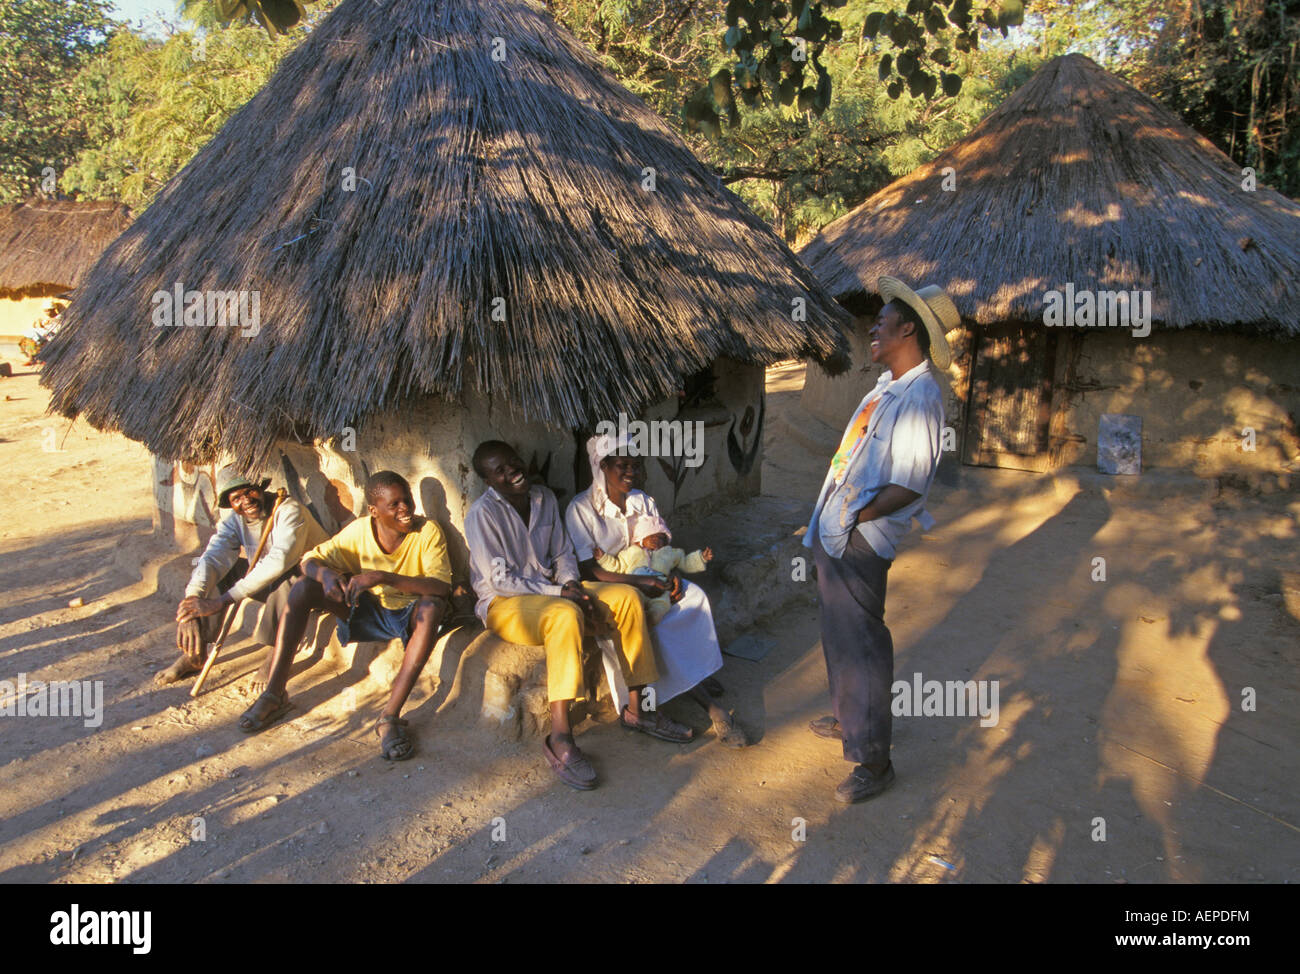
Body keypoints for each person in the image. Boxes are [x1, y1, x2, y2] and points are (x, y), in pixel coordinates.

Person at [803, 276, 957, 803]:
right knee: (839, 633)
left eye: (882, 322)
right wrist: (833, 518)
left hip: (861, 537)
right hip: (838, 529)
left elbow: (908, 483)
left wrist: (857, 517)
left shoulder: (920, 396)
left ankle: (874, 759)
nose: (873, 328)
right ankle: (851, 720)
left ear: (908, 327)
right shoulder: (885, 388)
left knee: (863, 643)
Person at [465, 440, 689, 791]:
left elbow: (563, 553)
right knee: (565, 615)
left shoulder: (543, 498)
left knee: (628, 598)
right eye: (500, 471)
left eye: (514, 462)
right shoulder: (482, 515)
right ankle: (561, 737)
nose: (513, 472)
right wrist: (563, 594)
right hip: (505, 603)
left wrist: (572, 584)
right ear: (488, 481)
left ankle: (637, 709)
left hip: (553, 589)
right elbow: (501, 581)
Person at [236, 470, 451, 761]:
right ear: (374, 511)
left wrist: (382, 577)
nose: (405, 510)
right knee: (303, 588)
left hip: (409, 613)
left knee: (432, 606)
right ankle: (274, 695)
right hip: (369, 611)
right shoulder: (359, 531)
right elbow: (309, 560)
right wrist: (325, 576)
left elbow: (440, 587)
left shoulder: (427, 532)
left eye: (408, 501)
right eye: (395, 504)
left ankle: (388, 718)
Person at [566, 434, 748, 748]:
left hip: (649, 577)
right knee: (650, 622)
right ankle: (708, 705)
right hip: (607, 585)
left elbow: (661, 547)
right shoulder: (580, 510)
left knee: (693, 597)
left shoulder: (642, 499)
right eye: (621, 465)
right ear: (602, 465)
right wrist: (639, 584)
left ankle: (694, 674)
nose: (630, 473)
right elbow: (589, 569)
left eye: (635, 466)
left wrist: (669, 576)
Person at [161, 467, 328, 688]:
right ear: (230, 503)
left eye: (250, 491)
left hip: (315, 587)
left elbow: (280, 561)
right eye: (236, 498)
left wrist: (221, 601)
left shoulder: (289, 511)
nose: (246, 501)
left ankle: (275, 655)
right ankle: (196, 654)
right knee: (221, 572)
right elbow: (212, 558)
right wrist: (191, 604)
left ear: (260, 487)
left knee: (285, 577)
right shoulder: (235, 520)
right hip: (271, 582)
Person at [594, 515, 713, 624]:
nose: (656, 540)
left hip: (661, 587)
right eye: (651, 537)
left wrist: (701, 558)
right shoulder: (631, 552)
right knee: (632, 599)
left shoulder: (670, 553)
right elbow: (617, 566)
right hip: (635, 584)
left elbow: (685, 562)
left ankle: (651, 617)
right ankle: (636, 615)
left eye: (661, 538)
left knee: (662, 605)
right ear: (640, 540)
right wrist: (603, 558)